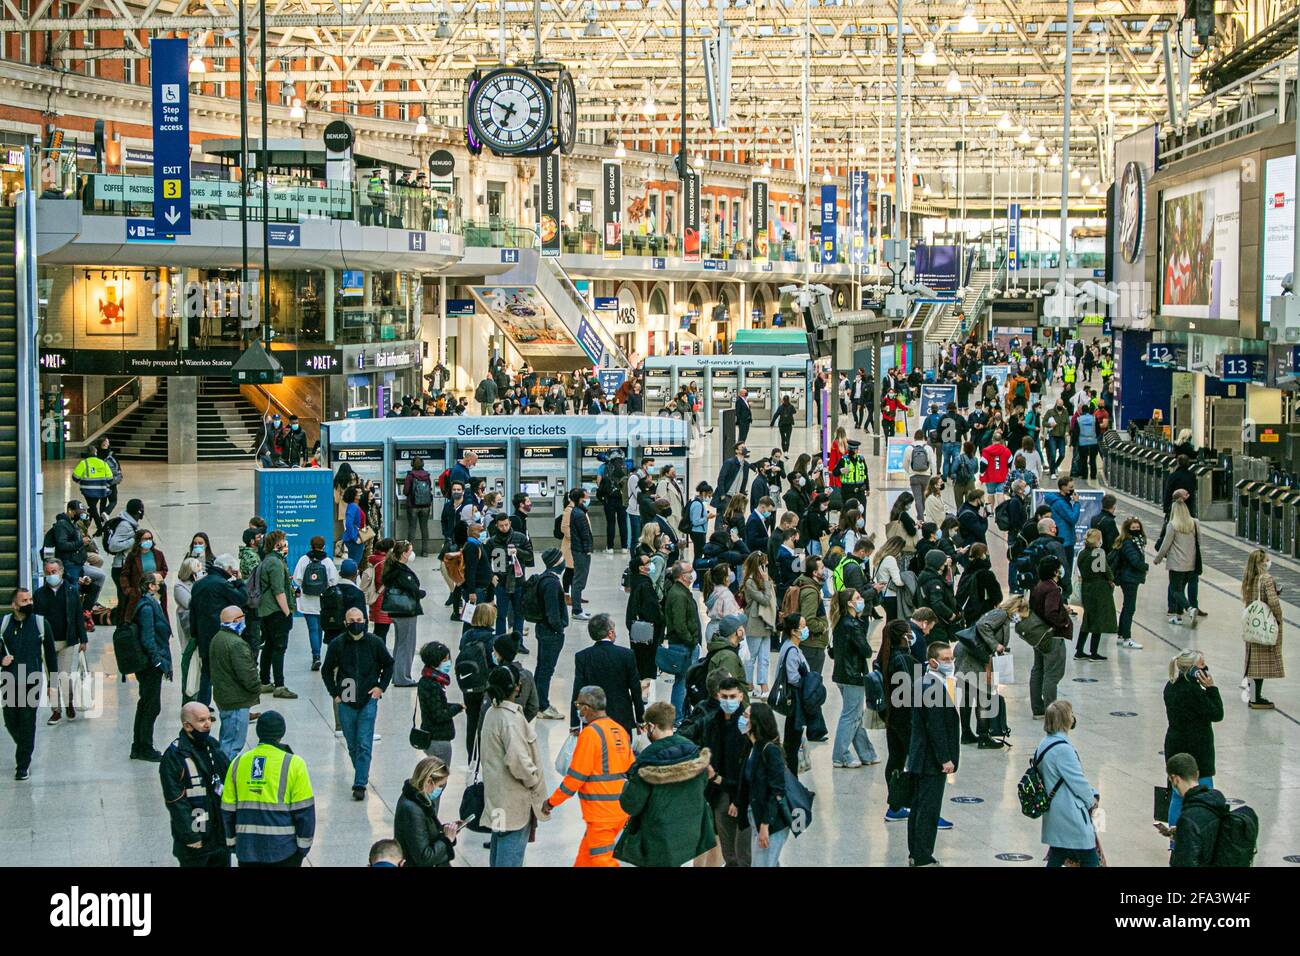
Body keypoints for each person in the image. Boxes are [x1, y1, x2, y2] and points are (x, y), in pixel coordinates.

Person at [615, 700, 717, 867]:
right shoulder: (694, 751)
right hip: (689, 830)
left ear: (652, 726)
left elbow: (631, 805)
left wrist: (626, 787)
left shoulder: (647, 761)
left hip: (658, 836)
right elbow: (702, 783)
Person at [543, 685, 634, 867]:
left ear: (586, 708)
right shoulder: (619, 731)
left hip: (601, 814)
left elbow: (575, 779)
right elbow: (632, 769)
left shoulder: (590, 735)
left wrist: (551, 802)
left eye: (578, 705)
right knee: (584, 860)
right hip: (620, 810)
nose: (577, 710)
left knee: (602, 861)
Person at [220, 711, 316, 867]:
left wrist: (232, 843)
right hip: (283, 850)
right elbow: (304, 812)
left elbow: (227, 810)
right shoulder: (294, 763)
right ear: (282, 732)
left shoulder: (238, 763)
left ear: (258, 732)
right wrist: (302, 849)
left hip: (247, 849)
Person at [321, 607, 394, 800]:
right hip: (346, 695)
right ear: (345, 622)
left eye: (359, 619)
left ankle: (360, 783)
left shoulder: (375, 643)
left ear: (365, 620)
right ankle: (361, 771)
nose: (355, 623)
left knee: (363, 742)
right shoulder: (337, 644)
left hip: (368, 697)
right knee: (352, 743)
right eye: (351, 620)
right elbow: (326, 669)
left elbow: (388, 664)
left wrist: (380, 688)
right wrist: (334, 693)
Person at [480, 665, 547, 867]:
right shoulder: (510, 720)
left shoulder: (492, 713)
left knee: (498, 846)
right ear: (516, 687)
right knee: (510, 856)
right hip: (513, 803)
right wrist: (534, 782)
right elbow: (517, 760)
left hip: (496, 799)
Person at [905, 640, 959, 867]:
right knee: (928, 808)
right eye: (946, 659)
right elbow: (936, 727)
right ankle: (923, 855)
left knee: (918, 806)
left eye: (951, 659)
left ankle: (915, 852)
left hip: (920, 755)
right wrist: (945, 758)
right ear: (934, 661)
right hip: (931, 760)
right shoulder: (934, 688)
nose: (950, 663)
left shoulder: (922, 682)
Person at [159, 702, 231, 867]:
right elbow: (175, 801)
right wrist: (190, 836)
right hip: (195, 839)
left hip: (219, 836)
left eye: (209, 719)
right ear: (187, 726)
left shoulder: (213, 746)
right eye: (201, 720)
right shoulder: (174, 756)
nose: (207, 724)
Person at [1161, 649, 1223, 832]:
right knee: (1202, 794)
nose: (1205, 667)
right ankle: (1201, 835)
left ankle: (1174, 838)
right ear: (1194, 669)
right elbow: (1217, 713)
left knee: (1177, 795)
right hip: (1197, 749)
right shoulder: (1195, 691)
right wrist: (1211, 689)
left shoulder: (1170, 686)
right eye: (1202, 664)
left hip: (1174, 745)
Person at [1033, 700, 1101, 867]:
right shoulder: (1063, 749)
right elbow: (1077, 781)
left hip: (1056, 812)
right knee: (1089, 857)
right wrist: (1091, 799)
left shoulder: (1045, 743)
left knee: (1058, 853)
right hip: (1070, 813)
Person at [1, 589, 54, 781]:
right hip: (9, 679)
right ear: (14, 605)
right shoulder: (4, 623)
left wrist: (52, 683)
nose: (29, 602)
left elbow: (50, 655)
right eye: (24, 600)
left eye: (30, 599)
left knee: (27, 720)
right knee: (10, 719)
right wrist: (1, 659)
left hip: (32, 679)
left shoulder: (41, 624)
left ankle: (22, 764)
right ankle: (23, 744)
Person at [736, 701, 791, 866]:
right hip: (756, 816)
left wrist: (765, 826)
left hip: (770, 822)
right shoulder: (752, 747)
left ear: (756, 722)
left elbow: (777, 792)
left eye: (746, 716)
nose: (741, 719)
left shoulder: (771, 751)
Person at [571, 613, 644, 736]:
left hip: (593, 719)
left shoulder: (582, 657)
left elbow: (578, 691)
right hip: (622, 717)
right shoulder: (626, 655)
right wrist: (640, 719)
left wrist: (574, 722)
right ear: (610, 633)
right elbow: (635, 689)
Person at [830, 588, 879, 769]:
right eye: (857, 598)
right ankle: (840, 755)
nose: (861, 600)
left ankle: (867, 753)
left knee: (855, 714)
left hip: (841, 673)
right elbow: (865, 650)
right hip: (853, 675)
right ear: (850, 603)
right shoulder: (853, 625)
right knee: (851, 716)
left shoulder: (839, 622)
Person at [32, 559, 84, 726]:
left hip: (67, 641)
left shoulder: (71, 590)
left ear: (61, 571)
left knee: (64, 675)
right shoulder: (39, 594)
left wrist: (83, 638)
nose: (51, 575)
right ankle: (56, 710)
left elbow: (77, 615)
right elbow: (36, 619)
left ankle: (69, 703)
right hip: (47, 643)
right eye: (48, 572)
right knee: (51, 677)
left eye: (54, 571)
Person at [130, 572, 172, 762]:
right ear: (151, 586)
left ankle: (139, 745)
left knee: (146, 703)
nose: (163, 585)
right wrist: (158, 661)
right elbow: (148, 638)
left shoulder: (151, 603)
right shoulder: (147, 607)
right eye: (160, 583)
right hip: (150, 665)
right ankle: (144, 746)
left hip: (151, 662)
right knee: (151, 705)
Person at [209, 605, 260, 759]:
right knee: (232, 744)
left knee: (227, 738)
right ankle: (223, 777)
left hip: (225, 697)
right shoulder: (236, 643)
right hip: (236, 700)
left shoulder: (218, 638)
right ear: (237, 620)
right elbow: (247, 674)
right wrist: (256, 687)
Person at [1163, 753, 1231, 867]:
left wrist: (1182, 836)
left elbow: (1185, 861)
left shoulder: (1188, 819)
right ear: (1197, 773)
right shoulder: (1217, 800)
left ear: (1175, 779)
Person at [1241, 549, 1285, 710]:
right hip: (1264, 625)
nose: (1269, 562)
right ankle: (1256, 697)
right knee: (1260, 665)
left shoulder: (1250, 578)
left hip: (1253, 625)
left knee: (1254, 663)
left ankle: (1254, 695)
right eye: (1267, 559)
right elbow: (1273, 603)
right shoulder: (1266, 579)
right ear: (1261, 562)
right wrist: (1278, 619)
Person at [256, 531, 298, 700]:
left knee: (269, 646)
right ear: (276, 544)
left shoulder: (269, 560)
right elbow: (278, 591)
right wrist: (287, 612)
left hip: (266, 611)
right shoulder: (275, 563)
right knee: (279, 648)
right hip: (276, 611)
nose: (286, 544)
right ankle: (279, 685)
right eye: (283, 542)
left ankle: (265, 681)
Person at [394, 756, 458, 867]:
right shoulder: (412, 810)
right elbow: (424, 857)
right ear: (429, 781)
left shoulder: (420, 800)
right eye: (441, 785)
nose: (441, 789)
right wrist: (447, 839)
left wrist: (445, 831)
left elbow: (424, 832)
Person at [1028, 557, 1071, 718]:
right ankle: (1051, 709)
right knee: (1052, 674)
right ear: (1055, 571)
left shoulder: (1038, 586)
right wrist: (1063, 622)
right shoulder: (1053, 589)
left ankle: (1037, 708)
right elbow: (1050, 611)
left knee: (1038, 670)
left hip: (1038, 634)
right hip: (1051, 635)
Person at [531, 548, 569, 721]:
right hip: (550, 632)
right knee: (546, 670)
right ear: (556, 562)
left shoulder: (543, 579)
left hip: (542, 629)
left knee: (541, 668)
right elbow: (552, 612)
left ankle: (538, 701)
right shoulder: (552, 583)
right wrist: (559, 628)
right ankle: (543, 705)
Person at [381, 539, 424, 687]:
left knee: (400, 644)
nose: (412, 554)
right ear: (404, 554)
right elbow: (411, 587)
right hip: (406, 611)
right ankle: (403, 677)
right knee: (406, 645)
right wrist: (420, 593)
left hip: (397, 611)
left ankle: (398, 675)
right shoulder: (401, 571)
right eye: (410, 551)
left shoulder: (391, 568)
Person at [1154, 492, 1202, 623]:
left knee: (1176, 590)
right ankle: (1178, 617)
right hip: (1191, 563)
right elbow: (1199, 542)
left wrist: (1157, 559)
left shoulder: (1172, 525)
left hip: (1176, 563)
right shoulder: (1195, 523)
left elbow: (1165, 545)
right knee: (1182, 589)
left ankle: (1189, 608)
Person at [292, 535, 338, 672]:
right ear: (324, 546)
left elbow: (297, 579)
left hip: (307, 600)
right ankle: (327, 655)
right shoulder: (328, 562)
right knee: (322, 628)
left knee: (313, 629)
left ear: (310, 546)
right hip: (323, 601)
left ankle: (316, 656)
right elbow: (333, 581)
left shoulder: (303, 560)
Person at [775, 613, 812, 773]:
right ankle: (791, 778)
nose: (806, 630)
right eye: (803, 627)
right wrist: (807, 684)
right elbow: (793, 678)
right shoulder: (791, 650)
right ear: (794, 631)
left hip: (795, 700)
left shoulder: (791, 647)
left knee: (793, 739)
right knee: (792, 741)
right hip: (794, 700)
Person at [415, 641, 462, 767]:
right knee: (440, 778)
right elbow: (439, 714)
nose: (448, 663)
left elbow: (437, 705)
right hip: (438, 738)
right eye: (445, 659)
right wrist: (456, 708)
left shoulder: (427, 680)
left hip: (430, 736)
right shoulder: (432, 684)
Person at [1075, 528, 1116, 661]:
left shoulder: (1082, 553)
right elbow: (1106, 571)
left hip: (1086, 587)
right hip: (1099, 589)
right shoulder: (1097, 554)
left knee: (1087, 619)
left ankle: (1079, 650)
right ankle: (1094, 652)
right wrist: (1111, 580)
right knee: (1098, 620)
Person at [741, 551, 777, 697]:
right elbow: (764, 599)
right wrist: (767, 582)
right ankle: (749, 684)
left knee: (765, 658)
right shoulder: (750, 582)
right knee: (752, 656)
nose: (767, 566)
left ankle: (764, 686)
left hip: (766, 622)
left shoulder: (762, 580)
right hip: (755, 622)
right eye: (764, 564)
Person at [119, 527, 169, 623]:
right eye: (145, 539)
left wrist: (156, 575)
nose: (148, 541)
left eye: (150, 538)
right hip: (138, 593)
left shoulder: (158, 554)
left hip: (156, 591)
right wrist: (128, 590)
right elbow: (124, 574)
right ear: (139, 541)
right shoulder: (132, 556)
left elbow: (164, 569)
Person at [566, 488, 594, 620]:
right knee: (579, 580)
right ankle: (576, 610)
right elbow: (585, 534)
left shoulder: (576, 511)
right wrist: (588, 549)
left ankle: (577, 609)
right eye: (585, 498)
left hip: (578, 549)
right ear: (580, 499)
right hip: (581, 551)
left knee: (579, 579)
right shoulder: (579, 514)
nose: (588, 499)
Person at [71, 446, 113, 533]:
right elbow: (110, 478)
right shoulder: (103, 463)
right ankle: (87, 525)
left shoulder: (84, 463)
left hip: (87, 491)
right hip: (100, 490)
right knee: (92, 508)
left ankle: (99, 528)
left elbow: (75, 477)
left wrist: (81, 482)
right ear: (95, 453)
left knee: (93, 508)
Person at [402, 456, 436, 557]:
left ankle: (409, 552)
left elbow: (405, 491)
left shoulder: (410, 476)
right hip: (426, 506)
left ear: (412, 464)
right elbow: (429, 488)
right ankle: (425, 551)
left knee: (412, 528)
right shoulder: (427, 476)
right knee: (424, 528)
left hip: (413, 506)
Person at [341, 487, 365, 565]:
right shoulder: (353, 506)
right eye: (358, 492)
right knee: (354, 564)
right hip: (354, 539)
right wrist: (355, 538)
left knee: (352, 563)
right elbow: (348, 523)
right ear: (353, 495)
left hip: (353, 537)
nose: (360, 493)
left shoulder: (353, 505)